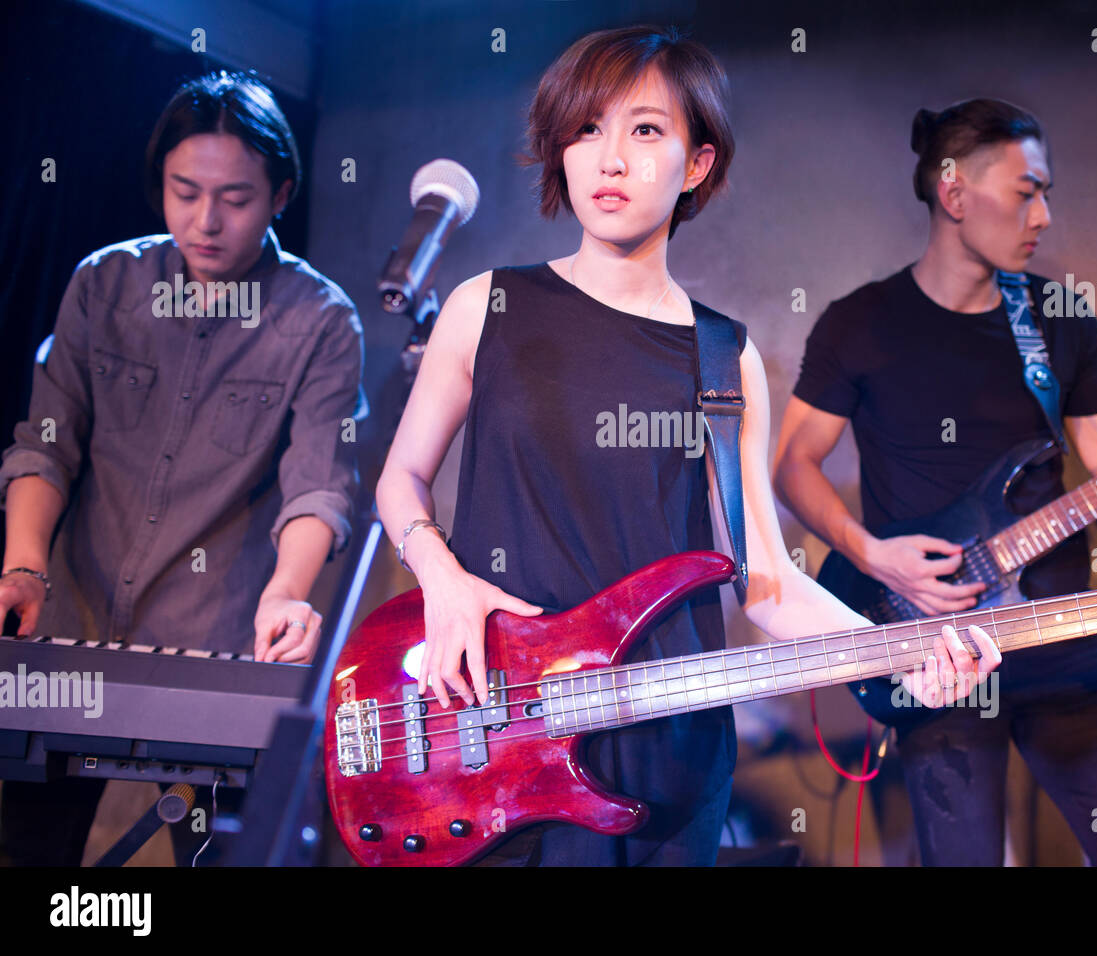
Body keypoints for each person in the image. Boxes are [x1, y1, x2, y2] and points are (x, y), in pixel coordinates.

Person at [374, 26, 1001, 867]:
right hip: (499, 732)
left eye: (644, 130)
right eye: (586, 129)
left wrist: (901, 652)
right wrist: (442, 578)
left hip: (666, 750)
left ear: (697, 164)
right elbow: (400, 480)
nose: (609, 158)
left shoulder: (723, 356)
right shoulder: (485, 307)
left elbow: (767, 583)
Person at [773, 98, 1097, 865]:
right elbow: (792, 463)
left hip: (1059, 631)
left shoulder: (1055, 316)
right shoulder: (861, 323)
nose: (1044, 215)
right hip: (931, 641)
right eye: (1028, 192)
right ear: (955, 194)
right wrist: (871, 553)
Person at [0, 71, 366, 866]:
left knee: (220, 858)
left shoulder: (320, 319)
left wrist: (288, 594)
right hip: (74, 630)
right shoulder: (105, 285)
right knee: (33, 854)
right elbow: (45, 443)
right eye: (183, 191)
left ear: (281, 194)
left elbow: (318, 483)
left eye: (235, 198)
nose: (205, 221)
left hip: (223, 644)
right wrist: (24, 565)